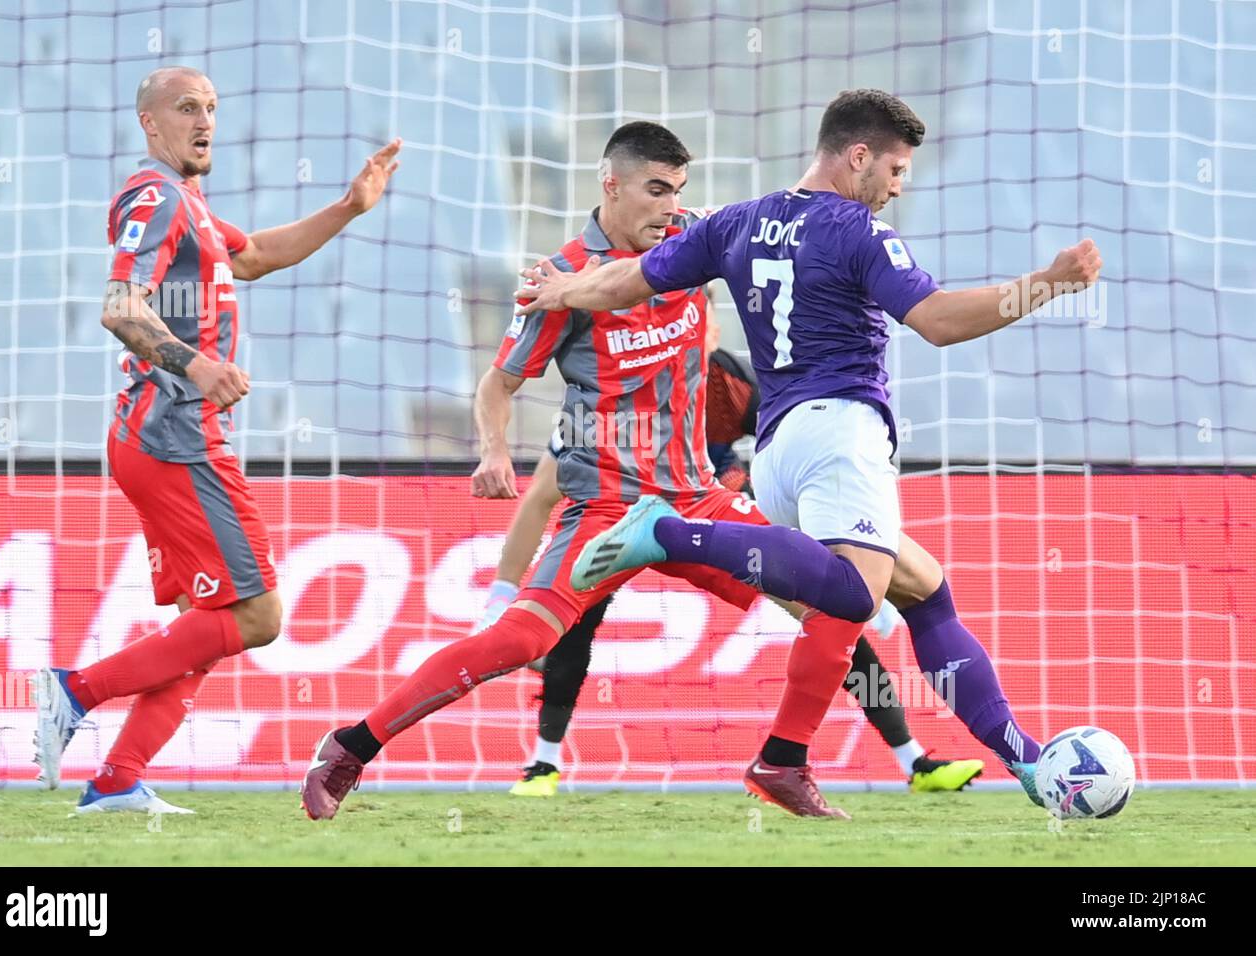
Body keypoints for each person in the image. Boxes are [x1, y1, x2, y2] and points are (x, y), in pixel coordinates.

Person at [514, 89, 1103, 813]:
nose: (897, 186)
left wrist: (569, 289)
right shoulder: (858, 232)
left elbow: (628, 279)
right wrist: (1047, 285)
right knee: (854, 594)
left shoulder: (735, 222)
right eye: (894, 169)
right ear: (857, 157)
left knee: (920, 590)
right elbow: (940, 322)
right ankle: (665, 536)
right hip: (840, 434)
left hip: (780, 451)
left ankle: (1024, 760)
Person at [302, 122, 862, 821]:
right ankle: (350, 747)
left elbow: (776, 227)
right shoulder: (558, 277)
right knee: (519, 639)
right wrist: (493, 450)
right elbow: (496, 386)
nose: (669, 206)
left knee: (834, 602)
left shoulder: (693, 237)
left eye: (677, 192)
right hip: (606, 512)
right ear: (612, 184)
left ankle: (793, 760)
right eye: (655, 190)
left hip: (694, 501)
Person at [33, 65, 401, 813]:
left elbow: (258, 255)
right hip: (176, 439)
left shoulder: (191, 203)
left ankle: (116, 780)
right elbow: (117, 305)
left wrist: (347, 208)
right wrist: (196, 364)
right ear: (150, 123)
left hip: (164, 438)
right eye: (186, 108)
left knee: (211, 623)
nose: (205, 121)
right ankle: (75, 692)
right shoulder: (155, 198)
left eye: (212, 108)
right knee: (257, 615)